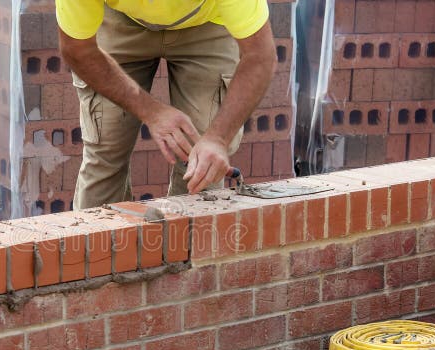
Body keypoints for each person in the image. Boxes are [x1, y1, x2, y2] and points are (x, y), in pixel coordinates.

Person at [56, 0, 277, 210]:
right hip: (120, 19)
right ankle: (100, 246)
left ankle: (187, 246)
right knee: (106, 151)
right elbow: (77, 49)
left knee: (203, 163)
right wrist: (150, 111)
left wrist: (218, 139)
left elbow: (260, 54)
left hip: (206, 23)